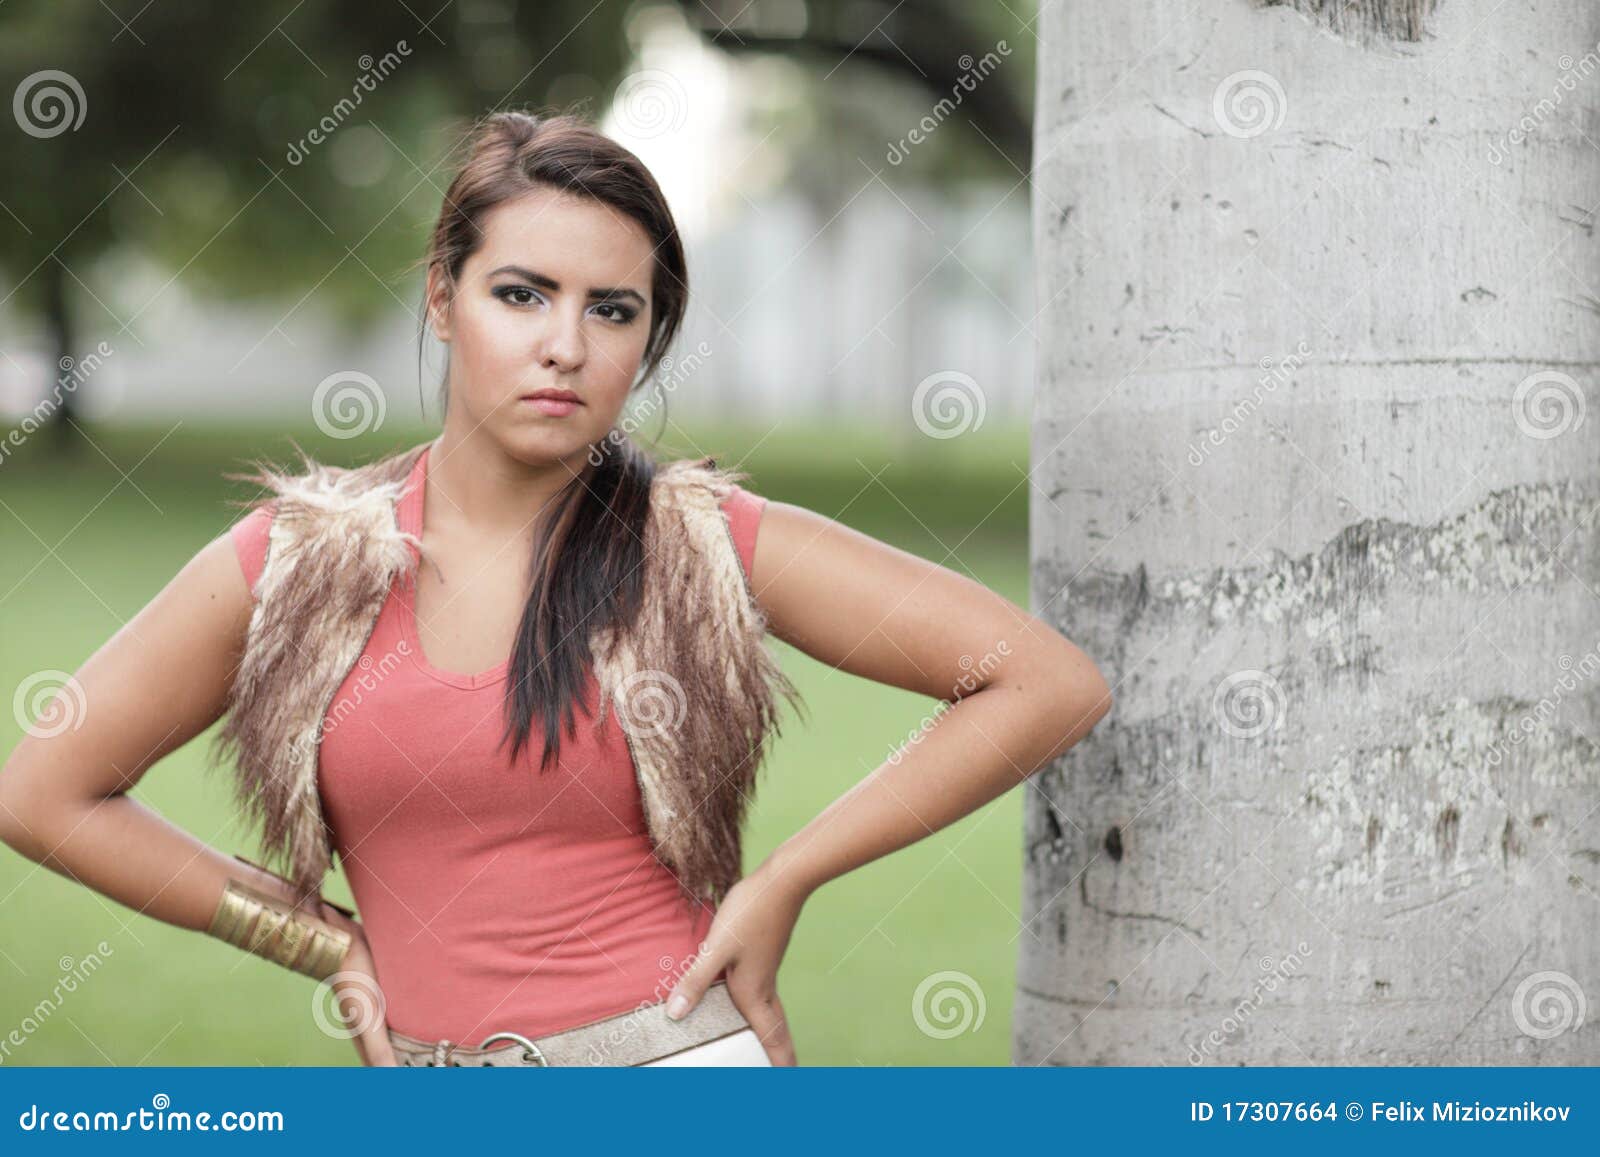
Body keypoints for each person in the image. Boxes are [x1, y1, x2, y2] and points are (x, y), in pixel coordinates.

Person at [0, 109, 1113, 1067]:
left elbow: (1040, 680)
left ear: (648, 338)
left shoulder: (700, 541)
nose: (565, 346)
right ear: (443, 298)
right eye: (522, 294)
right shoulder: (293, 560)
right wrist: (323, 940)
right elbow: (43, 793)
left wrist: (782, 881)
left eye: (612, 310)